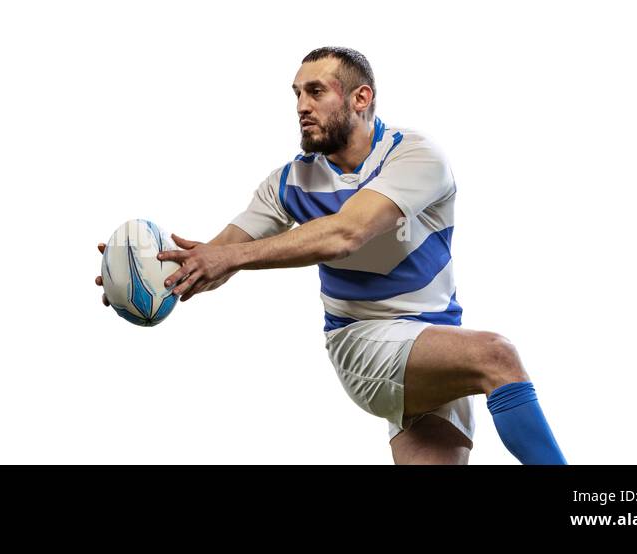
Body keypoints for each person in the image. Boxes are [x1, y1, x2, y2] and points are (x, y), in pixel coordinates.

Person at [94, 47, 566, 465]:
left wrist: (230, 258)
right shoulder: (287, 182)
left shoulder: (414, 156)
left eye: (316, 92)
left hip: (435, 342)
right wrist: (143, 270)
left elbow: (348, 233)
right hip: (363, 341)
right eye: (296, 94)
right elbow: (217, 258)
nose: (301, 106)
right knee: (497, 356)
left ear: (361, 98)